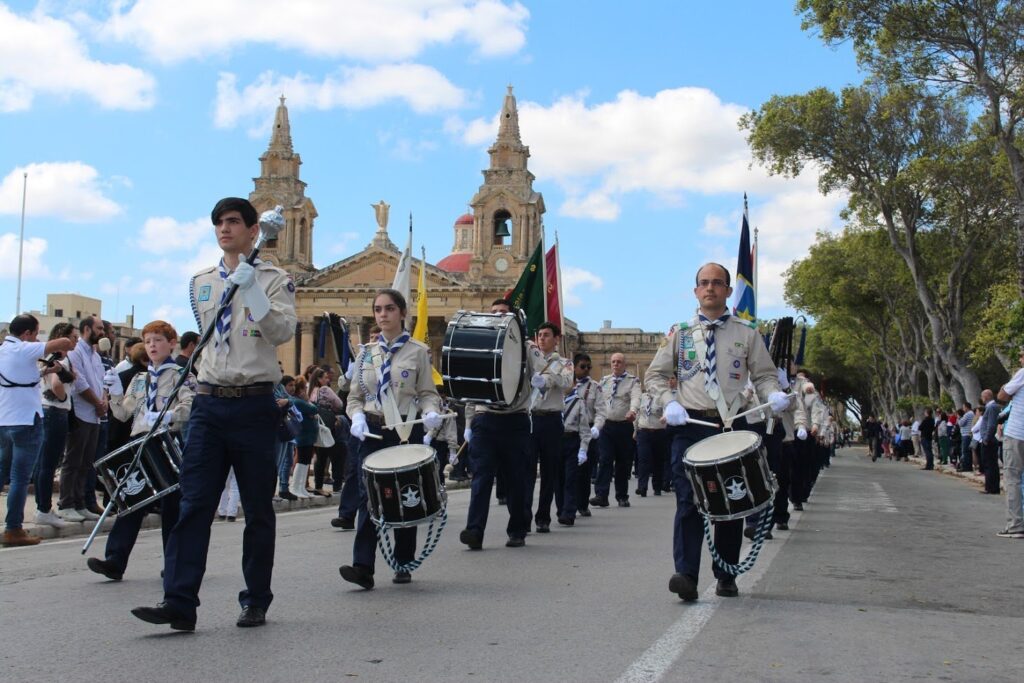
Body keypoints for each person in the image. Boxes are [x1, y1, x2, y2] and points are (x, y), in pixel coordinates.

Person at [132, 196, 296, 631]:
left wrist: (253, 291)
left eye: (234, 222)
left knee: (258, 509)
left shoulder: (275, 278)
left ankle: (255, 598)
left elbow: (281, 331)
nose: (225, 229)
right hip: (209, 402)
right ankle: (179, 600)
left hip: (254, 404)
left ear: (253, 229)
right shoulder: (201, 282)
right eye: (219, 223)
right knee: (193, 505)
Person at [645, 262, 785, 601]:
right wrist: (669, 402)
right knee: (689, 502)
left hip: (730, 426)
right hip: (690, 425)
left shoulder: (747, 333)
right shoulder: (679, 334)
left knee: (729, 503)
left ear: (727, 290)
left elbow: (764, 375)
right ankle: (686, 575)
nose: (710, 288)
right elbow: (655, 376)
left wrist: (773, 395)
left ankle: (725, 575)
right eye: (704, 283)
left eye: (717, 283)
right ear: (696, 291)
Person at [339, 288, 442, 588]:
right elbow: (354, 397)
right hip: (371, 431)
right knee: (367, 497)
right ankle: (363, 567)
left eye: (389, 309)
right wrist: (355, 417)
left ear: (401, 313)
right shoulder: (366, 354)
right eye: (378, 310)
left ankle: (403, 560)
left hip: (405, 430)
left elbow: (427, 394)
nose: (382, 315)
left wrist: (431, 412)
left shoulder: (418, 352)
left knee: (404, 496)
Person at [87, 320, 195, 581]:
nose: (152, 346)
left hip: (167, 440)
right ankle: (115, 559)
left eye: (158, 340)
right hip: (139, 442)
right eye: (147, 342)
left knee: (172, 506)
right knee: (132, 498)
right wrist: (113, 393)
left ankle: (174, 562)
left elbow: (191, 406)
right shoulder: (139, 379)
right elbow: (123, 414)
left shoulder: (183, 374)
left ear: (171, 343)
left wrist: (168, 415)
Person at [459, 298, 548, 550]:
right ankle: (474, 530)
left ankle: (517, 529)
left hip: (515, 421)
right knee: (481, 478)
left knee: (516, 479)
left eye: (503, 312)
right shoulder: (480, 342)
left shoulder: (527, 347)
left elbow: (548, 373)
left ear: (513, 317)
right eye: (494, 312)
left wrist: (543, 380)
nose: (498, 315)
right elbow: (471, 384)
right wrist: (469, 421)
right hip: (485, 419)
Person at [0, 314, 75, 546]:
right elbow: (64, 343)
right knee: (19, 478)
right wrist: (64, 346)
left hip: (4, 420)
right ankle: (13, 529)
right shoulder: (24, 349)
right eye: (35, 334)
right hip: (26, 422)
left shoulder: (3, 350)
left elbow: (18, 380)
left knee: (2, 473)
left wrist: (44, 371)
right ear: (27, 334)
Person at [58, 316, 107, 522]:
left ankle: (80, 503)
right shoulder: (75, 352)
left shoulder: (96, 355)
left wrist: (104, 401)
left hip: (95, 416)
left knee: (87, 462)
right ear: (87, 329)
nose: (102, 332)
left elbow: (102, 381)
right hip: (81, 413)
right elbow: (80, 384)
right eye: (99, 328)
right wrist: (97, 404)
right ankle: (66, 503)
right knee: (73, 460)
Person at [525, 322, 572, 532]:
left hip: (551, 419)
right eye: (540, 335)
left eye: (546, 335)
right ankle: (523, 516)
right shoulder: (527, 362)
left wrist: (548, 376)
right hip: (530, 418)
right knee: (525, 471)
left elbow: (567, 383)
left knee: (549, 471)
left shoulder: (563, 363)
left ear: (556, 339)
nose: (542, 339)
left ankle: (543, 516)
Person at [33, 322, 78, 529]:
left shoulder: (60, 359)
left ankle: (43, 507)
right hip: (54, 412)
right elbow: (56, 385)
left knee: (46, 463)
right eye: (72, 337)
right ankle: (43, 509)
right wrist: (61, 399)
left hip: (49, 412)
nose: (75, 341)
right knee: (48, 463)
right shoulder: (58, 357)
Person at [558, 352, 604, 525]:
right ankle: (565, 507)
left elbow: (601, 410)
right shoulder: (562, 386)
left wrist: (596, 428)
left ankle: (582, 503)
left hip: (587, 430)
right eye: (583, 367)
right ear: (575, 368)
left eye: (589, 367)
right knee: (565, 475)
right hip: (565, 432)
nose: (586, 370)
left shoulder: (595, 387)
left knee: (583, 472)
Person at [591, 352, 641, 507]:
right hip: (606, 426)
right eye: (613, 362)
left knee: (622, 462)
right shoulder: (605, 381)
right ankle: (601, 495)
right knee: (605, 459)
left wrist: (632, 411)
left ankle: (622, 496)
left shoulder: (633, 381)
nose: (615, 364)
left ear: (625, 364)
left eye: (619, 362)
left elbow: (636, 397)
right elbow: (598, 400)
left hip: (624, 425)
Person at [997, 351, 1024, 538]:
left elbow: (1002, 396)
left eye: (1022, 356)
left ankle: (1015, 525)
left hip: (1017, 433)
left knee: (1013, 479)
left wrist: (1006, 386)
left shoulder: (1022, 373)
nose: (1020, 359)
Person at [636, 378, 672, 497]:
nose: (651, 387)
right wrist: (635, 429)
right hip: (644, 431)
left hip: (659, 431)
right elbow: (637, 413)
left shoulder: (662, 398)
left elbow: (667, 411)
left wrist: (664, 417)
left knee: (658, 460)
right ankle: (642, 487)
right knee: (643, 460)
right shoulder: (642, 397)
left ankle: (657, 486)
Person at [978, 389, 1002, 494]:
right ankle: (992, 487)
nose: (982, 398)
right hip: (990, 440)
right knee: (991, 464)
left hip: (989, 441)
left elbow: (991, 424)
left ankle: (991, 487)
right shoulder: (993, 407)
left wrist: (986, 438)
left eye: (983, 396)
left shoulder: (991, 407)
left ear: (987, 396)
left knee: (989, 464)